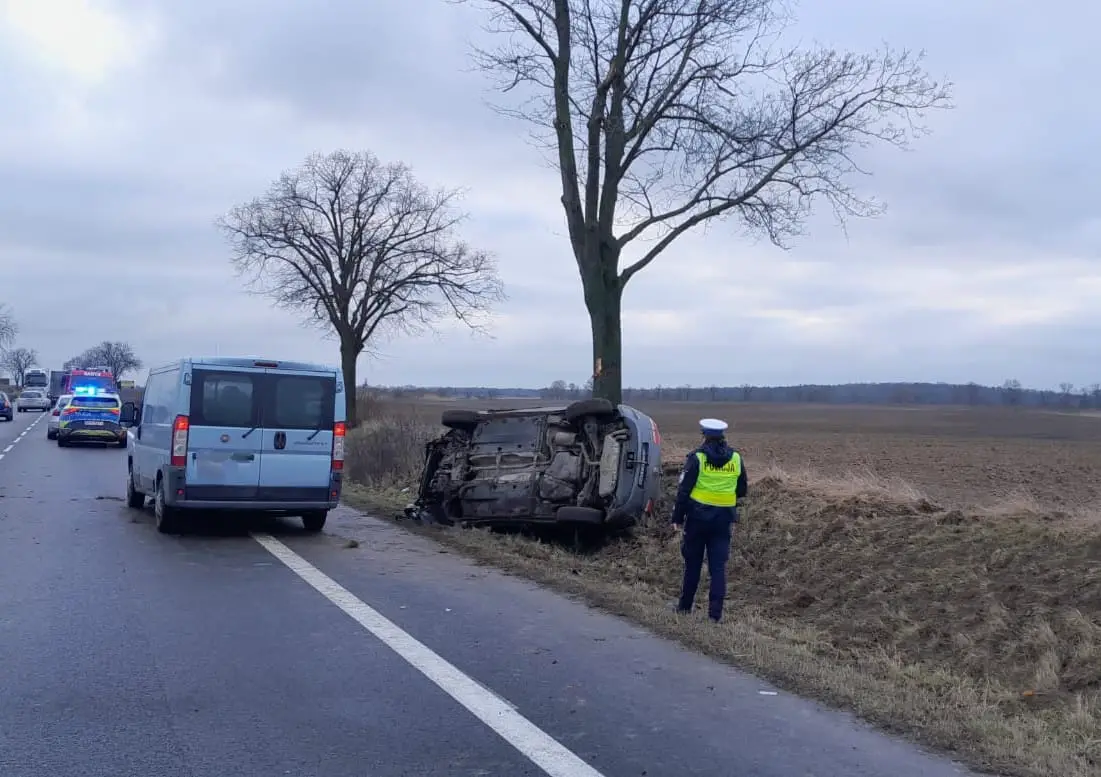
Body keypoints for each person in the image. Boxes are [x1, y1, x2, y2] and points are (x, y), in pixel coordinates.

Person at [671, 417, 747, 622]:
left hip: (697, 518)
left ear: (704, 435)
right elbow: (742, 490)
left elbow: (683, 491)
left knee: (693, 564)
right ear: (723, 436)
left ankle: (685, 607)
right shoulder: (736, 459)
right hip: (723, 519)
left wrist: (677, 517)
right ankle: (715, 616)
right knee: (718, 568)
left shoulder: (697, 458)